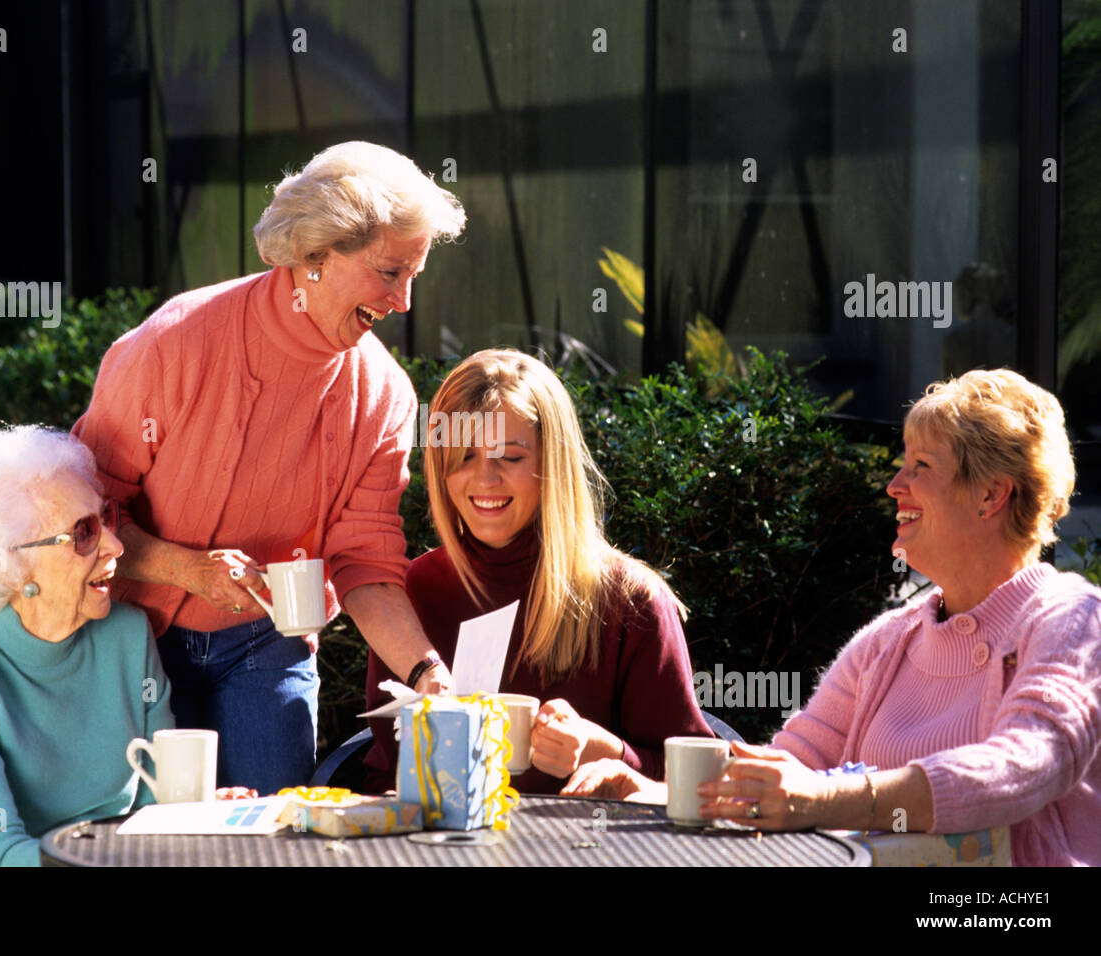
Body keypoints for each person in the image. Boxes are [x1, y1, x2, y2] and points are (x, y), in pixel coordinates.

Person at [565, 369, 1101, 866]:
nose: (895, 485)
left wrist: (828, 799)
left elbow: (1024, 766)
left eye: (921, 467)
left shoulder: (1068, 619)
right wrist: (643, 787)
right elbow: (785, 775)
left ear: (991, 494)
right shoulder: (888, 642)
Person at [72, 142, 465, 793]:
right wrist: (187, 570)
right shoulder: (175, 343)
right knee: (148, 841)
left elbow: (365, 560)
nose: (405, 302)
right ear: (316, 254)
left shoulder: (384, 395)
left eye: (414, 276)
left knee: (274, 838)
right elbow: (88, 520)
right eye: (391, 273)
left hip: (267, 644)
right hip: (135, 638)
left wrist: (428, 677)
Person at [363, 349, 712, 795]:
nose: (485, 479)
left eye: (509, 458)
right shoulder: (410, 592)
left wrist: (601, 749)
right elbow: (381, 772)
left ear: (553, 463)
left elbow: (696, 783)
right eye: (463, 458)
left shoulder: (632, 600)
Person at [0, 426, 174, 866]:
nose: (116, 545)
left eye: (105, 518)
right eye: (84, 532)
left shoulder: (128, 636)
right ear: (16, 566)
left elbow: (158, 807)